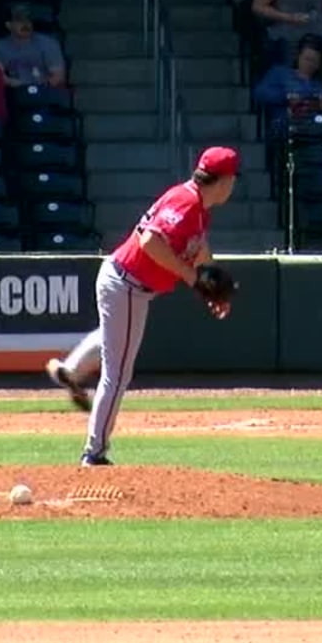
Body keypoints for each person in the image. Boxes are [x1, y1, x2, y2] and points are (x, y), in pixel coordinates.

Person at [44, 147, 240, 466]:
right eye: (233, 179)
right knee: (118, 373)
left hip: (124, 282)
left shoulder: (197, 206)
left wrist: (210, 285)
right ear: (225, 180)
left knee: (114, 343)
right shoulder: (186, 202)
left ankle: (72, 370)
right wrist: (193, 278)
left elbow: (199, 248)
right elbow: (151, 241)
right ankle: (94, 453)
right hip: (127, 285)